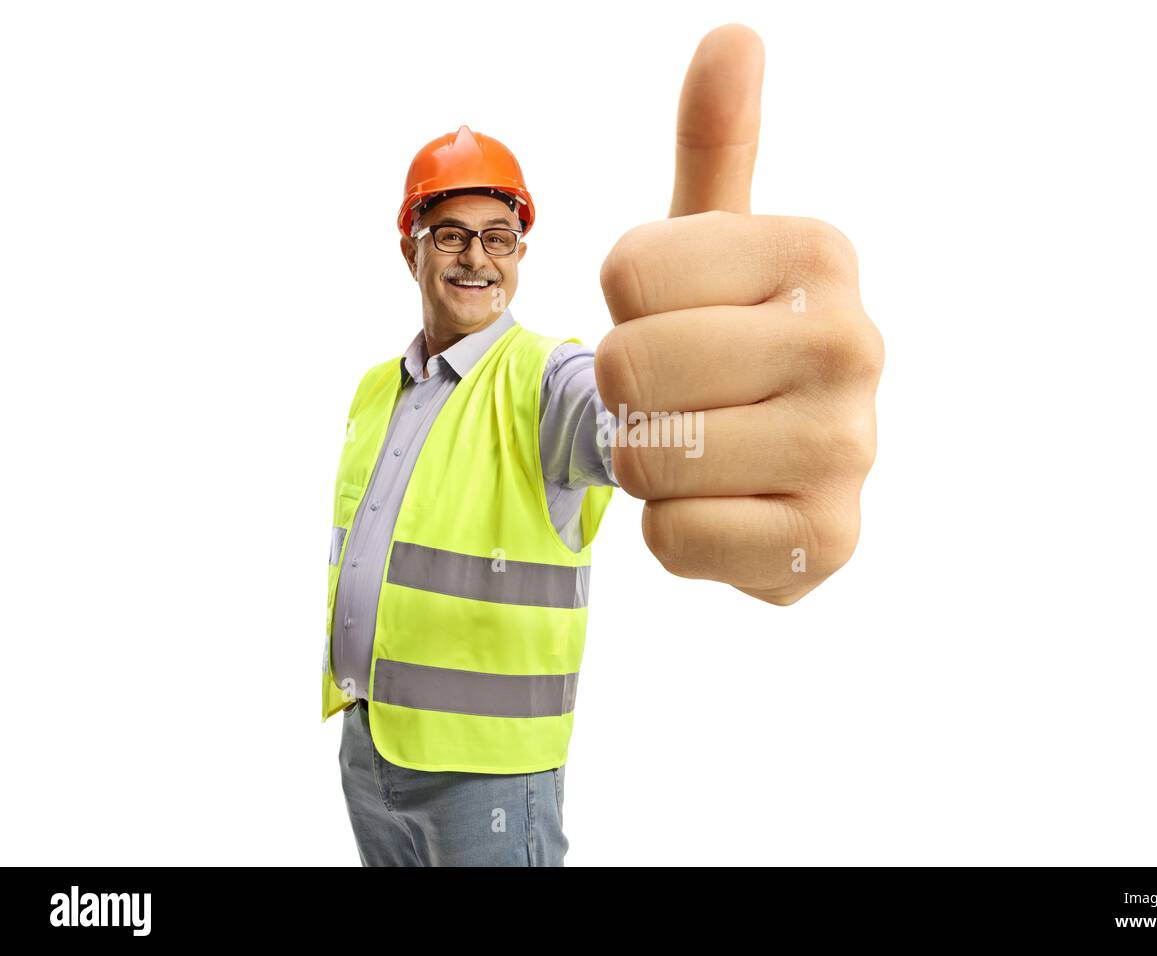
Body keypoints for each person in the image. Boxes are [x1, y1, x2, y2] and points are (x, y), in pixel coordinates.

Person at [324, 24, 884, 866]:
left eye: (498, 236)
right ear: (410, 245)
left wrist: (707, 406)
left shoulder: (548, 379)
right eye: (450, 234)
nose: (477, 257)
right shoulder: (377, 389)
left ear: (519, 252)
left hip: (490, 779)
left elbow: (626, 422)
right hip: (367, 752)